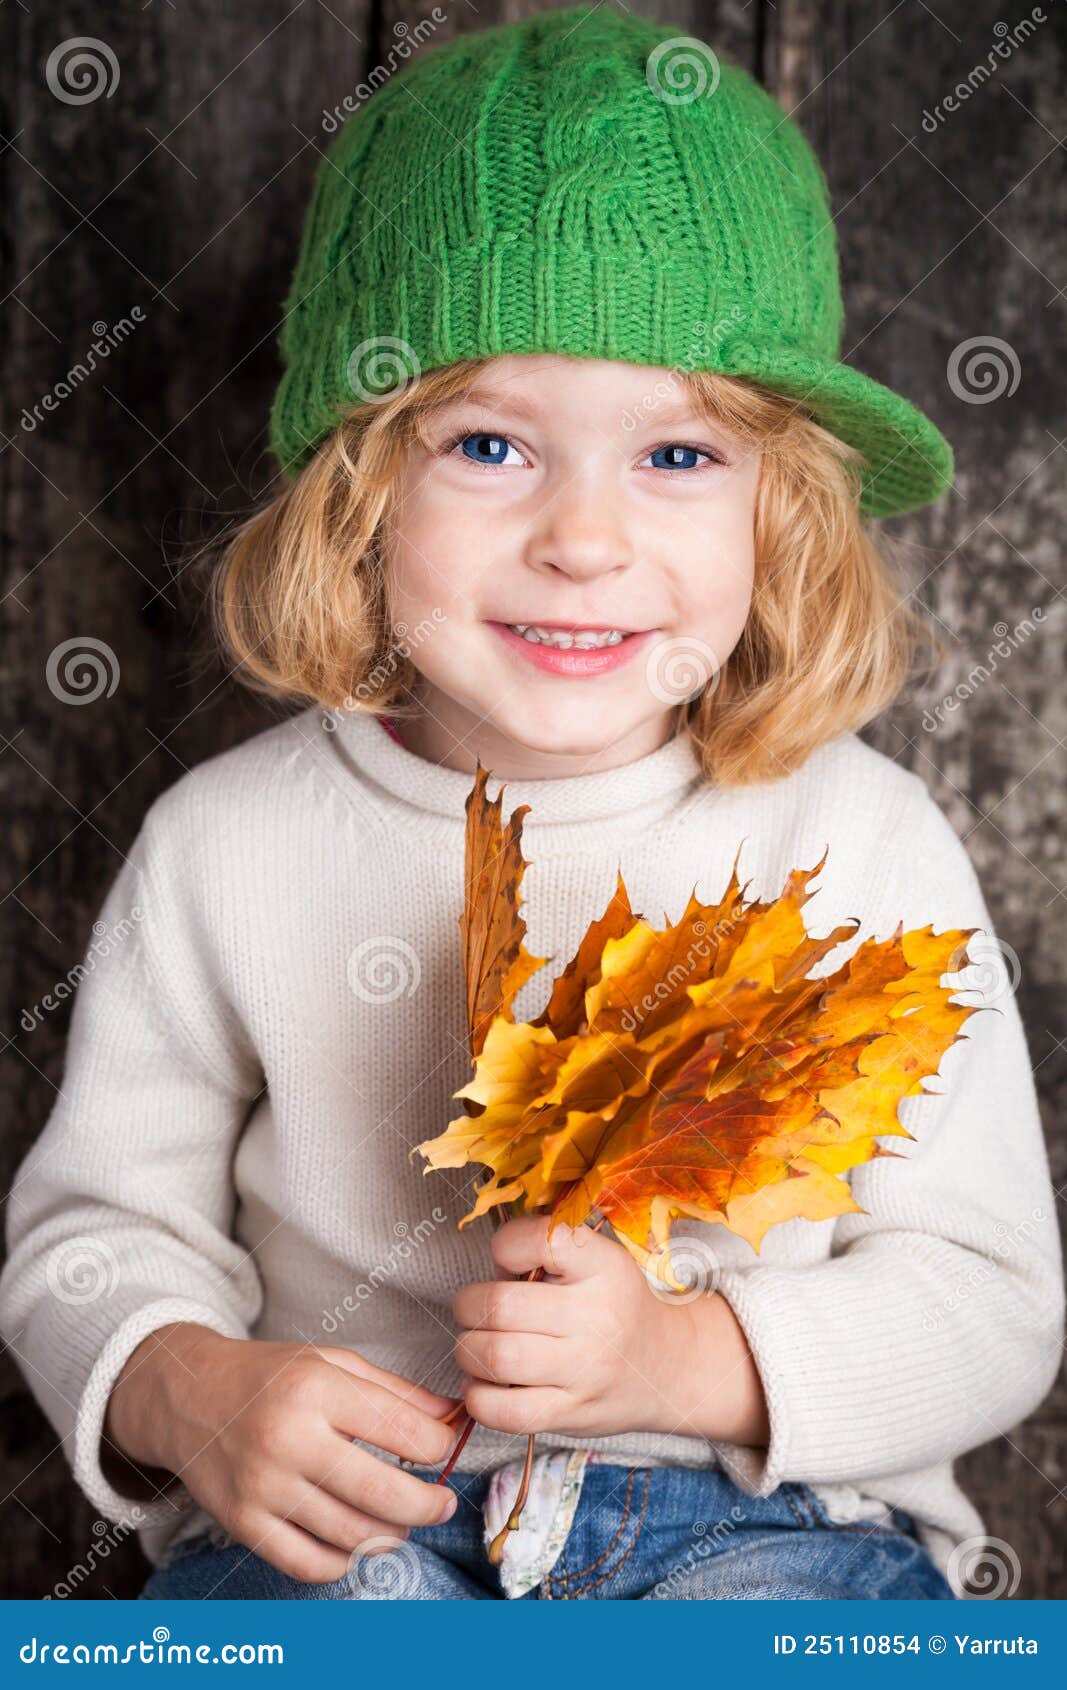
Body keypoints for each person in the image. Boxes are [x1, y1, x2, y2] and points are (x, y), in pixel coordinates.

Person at [1, 4, 1061, 1603]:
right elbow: (91, 1229)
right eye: (490, 443)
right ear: (357, 490)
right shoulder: (225, 846)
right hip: (363, 1523)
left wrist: (690, 1361)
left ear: (786, 512)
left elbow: (989, 1298)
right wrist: (188, 1390)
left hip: (765, 1530)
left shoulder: (860, 837)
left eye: (680, 458)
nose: (585, 537)